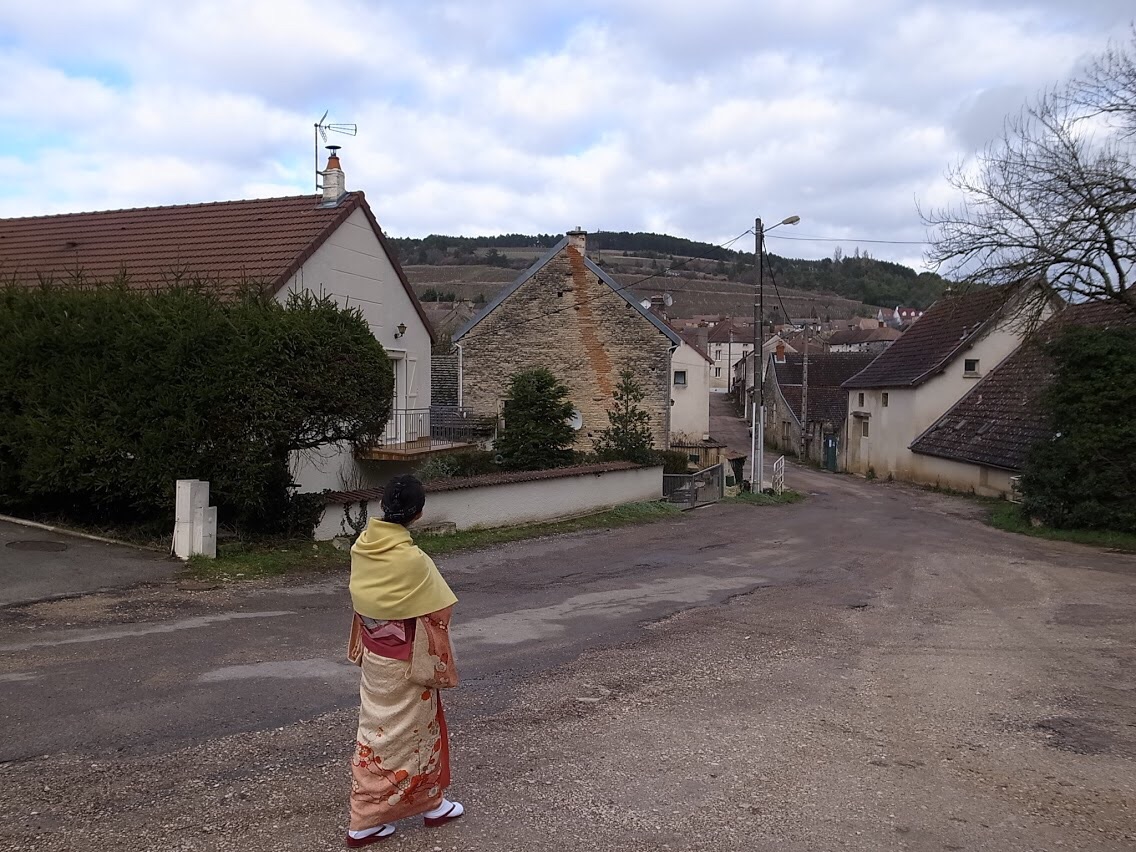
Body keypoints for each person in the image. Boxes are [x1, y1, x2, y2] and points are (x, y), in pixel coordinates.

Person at [344, 474, 464, 847]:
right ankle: (366, 819)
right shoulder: (412, 560)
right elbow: (439, 611)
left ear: (383, 507)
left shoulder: (363, 545)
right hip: (407, 662)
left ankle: (431, 805)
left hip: (375, 654)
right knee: (409, 735)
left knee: (376, 732)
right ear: (419, 513)